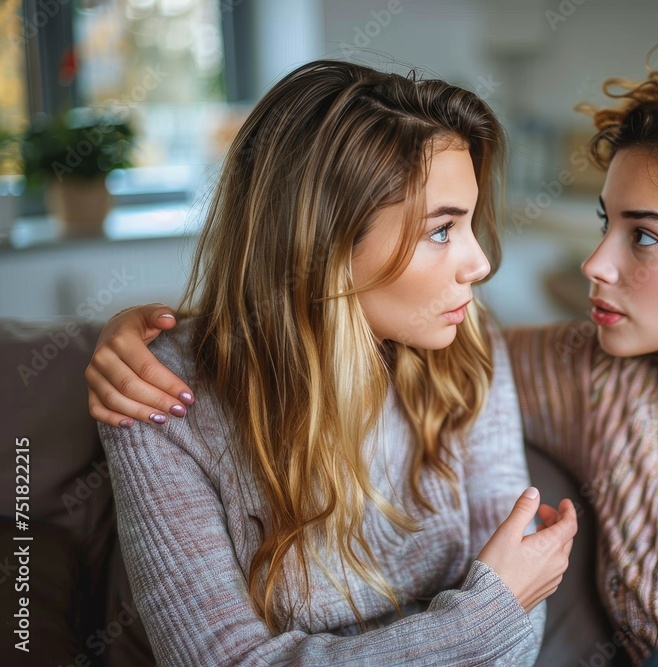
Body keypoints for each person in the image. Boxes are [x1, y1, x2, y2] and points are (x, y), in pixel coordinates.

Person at [88, 56, 658, 666]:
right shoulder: (594, 378)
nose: (594, 265)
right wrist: (144, 334)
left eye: (645, 237)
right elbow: (323, 331)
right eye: (606, 224)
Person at [87, 60, 578, 666]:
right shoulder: (155, 394)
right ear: (324, 242)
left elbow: (520, 644)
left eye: (470, 222)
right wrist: (487, 613)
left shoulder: (468, 351)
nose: (480, 264)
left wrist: (495, 616)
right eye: (443, 230)